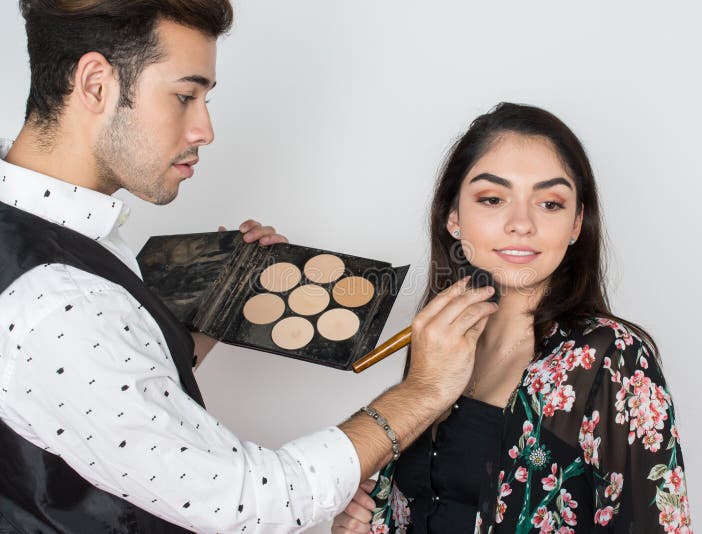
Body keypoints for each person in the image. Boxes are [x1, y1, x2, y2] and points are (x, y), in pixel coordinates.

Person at [0, 2, 498, 532]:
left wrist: (199, 322)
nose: (205, 130)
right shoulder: (61, 302)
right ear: (96, 84)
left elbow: (97, 408)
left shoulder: (44, 236)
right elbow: (251, 504)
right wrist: (422, 391)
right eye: (185, 96)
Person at [333, 103, 692, 533]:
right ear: (453, 217)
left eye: (550, 203)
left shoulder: (613, 360)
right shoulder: (443, 339)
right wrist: (370, 523)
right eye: (492, 199)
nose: (521, 223)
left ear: (577, 223)